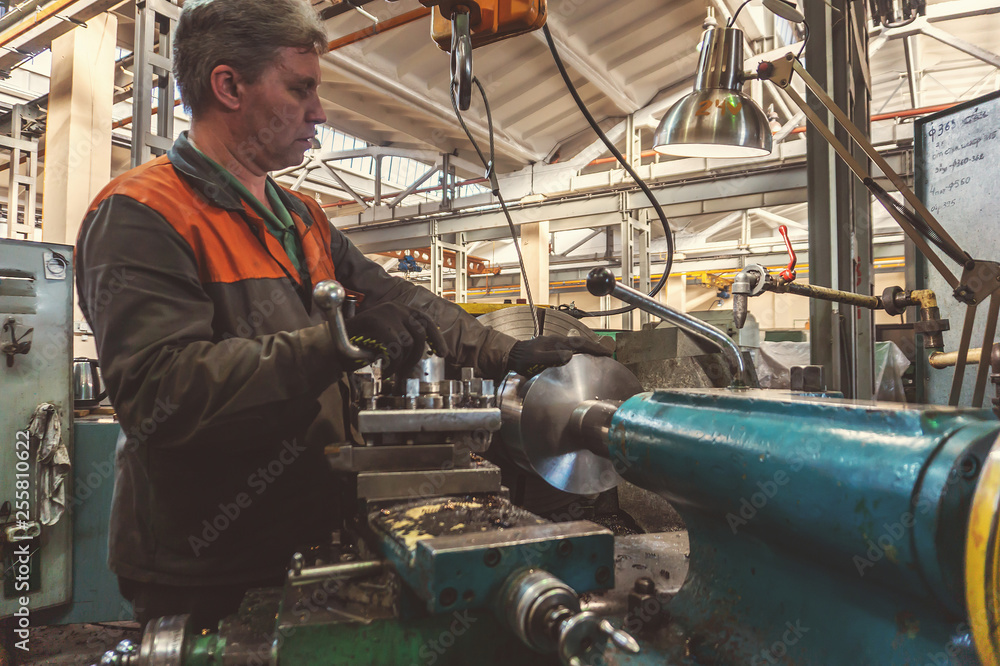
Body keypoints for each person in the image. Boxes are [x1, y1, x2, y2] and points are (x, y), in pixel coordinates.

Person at [75, 0, 609, 630]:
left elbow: (396, 297)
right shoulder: (142, 212)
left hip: (310, 528)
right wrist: (337, 341)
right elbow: (161, 390)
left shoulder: (299, 214)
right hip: (205, 558)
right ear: (229, 86)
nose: (320, 112)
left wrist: (502, 350)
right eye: (300, 89)